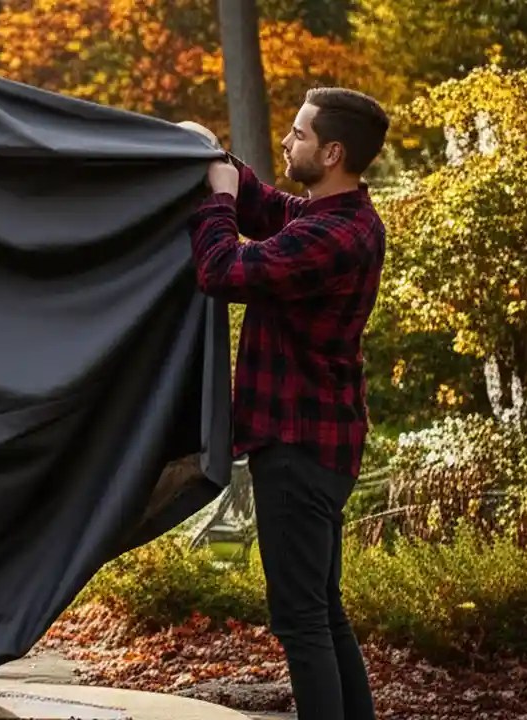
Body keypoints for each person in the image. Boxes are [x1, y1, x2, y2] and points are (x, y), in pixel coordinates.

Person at [180, 88, 390, 720]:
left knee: (300, 619)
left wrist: (216, 199)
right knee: (323, 609)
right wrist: (211, 155)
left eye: (298, 135)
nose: (287, 142)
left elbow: (221, 270)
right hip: (318, 447)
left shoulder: (335, 238)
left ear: (331, 152)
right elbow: (269, 206)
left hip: (300, 449)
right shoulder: (334, 218)